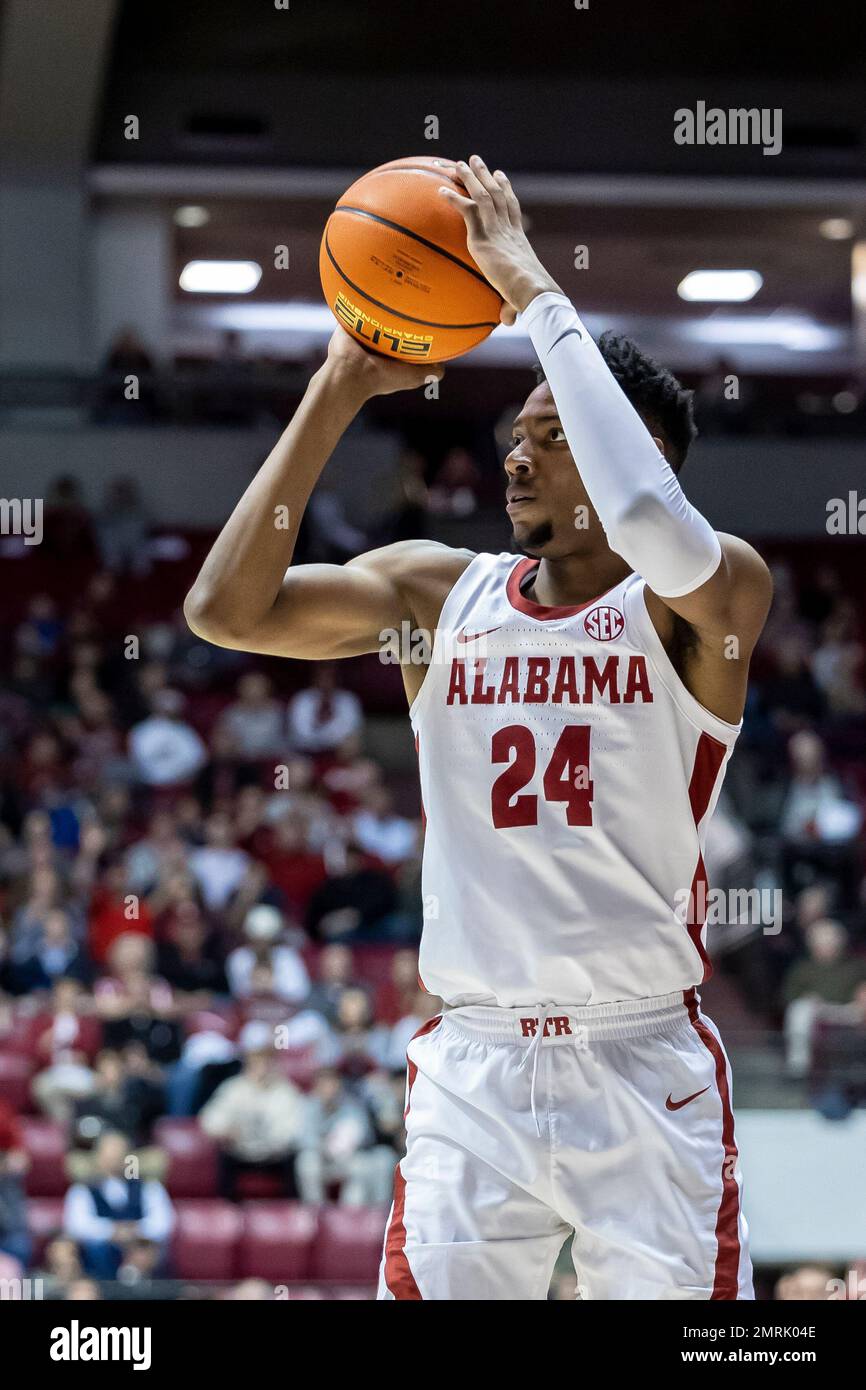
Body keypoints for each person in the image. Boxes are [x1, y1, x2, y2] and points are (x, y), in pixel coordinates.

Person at [184, 155, 773, 1301]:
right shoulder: (430, 595)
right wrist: (335, 391)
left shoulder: (705, 601)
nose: (514, 451)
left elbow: (652, 519)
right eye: (514, 432)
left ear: (628, 455)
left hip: (640, 1055)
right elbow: (224, 610)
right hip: (473, 1058)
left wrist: (529, 286)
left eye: (549, 436)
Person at [198, 1021, 307, 1200]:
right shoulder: (234, 1088)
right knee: (223, 1159)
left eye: (266, 1061)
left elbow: (294, 1128)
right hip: (240, 1151)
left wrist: (276, 1141)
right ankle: (226, 1214)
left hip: (275, 1155)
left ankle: (293, 1216)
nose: (261, 1067)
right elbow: (210, 1118)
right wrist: (224, 1131)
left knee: (296, 1161)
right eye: (256, 1061)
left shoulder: (286, 1091)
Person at [62, 1129, 175, 1279]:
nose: (113, 1160)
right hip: (97, 1260)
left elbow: (163, 1223)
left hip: (140, 1251)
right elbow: (76, 1225)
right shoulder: (83, 1189)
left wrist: (134, 1231)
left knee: (146, 1249)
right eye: (108, 1155)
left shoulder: (148, 1186)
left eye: (118, 1155)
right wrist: (112, 1231)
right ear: (98, 1157)